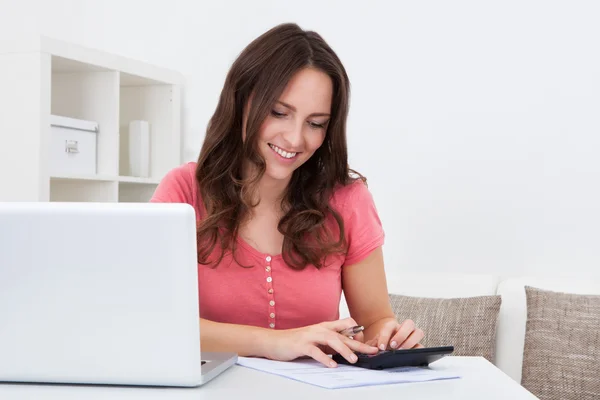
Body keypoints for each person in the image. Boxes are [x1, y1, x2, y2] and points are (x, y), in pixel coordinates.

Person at [150, 22, 424, 368]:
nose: (295, 139)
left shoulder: (348, 200)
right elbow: (155, 321)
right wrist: (274, 342)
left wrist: (390, 336)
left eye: (315, 123)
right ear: (242, 101)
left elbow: (375, 322)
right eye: (279, 112)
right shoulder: (184, 192)